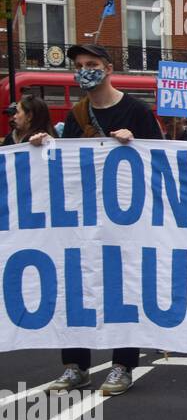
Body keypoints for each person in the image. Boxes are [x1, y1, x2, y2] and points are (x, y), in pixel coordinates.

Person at [38, 43, 162, 396]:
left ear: (109, 69)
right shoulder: (76, 116)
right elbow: (66, 169)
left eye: (91, 64)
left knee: (122, 289)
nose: (83, 70)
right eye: (78, 65)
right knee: (79, 286)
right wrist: (43, 148)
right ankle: (75, 365)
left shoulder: (135, 111)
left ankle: (123, 364)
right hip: (84, 222)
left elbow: (162, 162)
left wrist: (136, 144)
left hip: (126, 224)